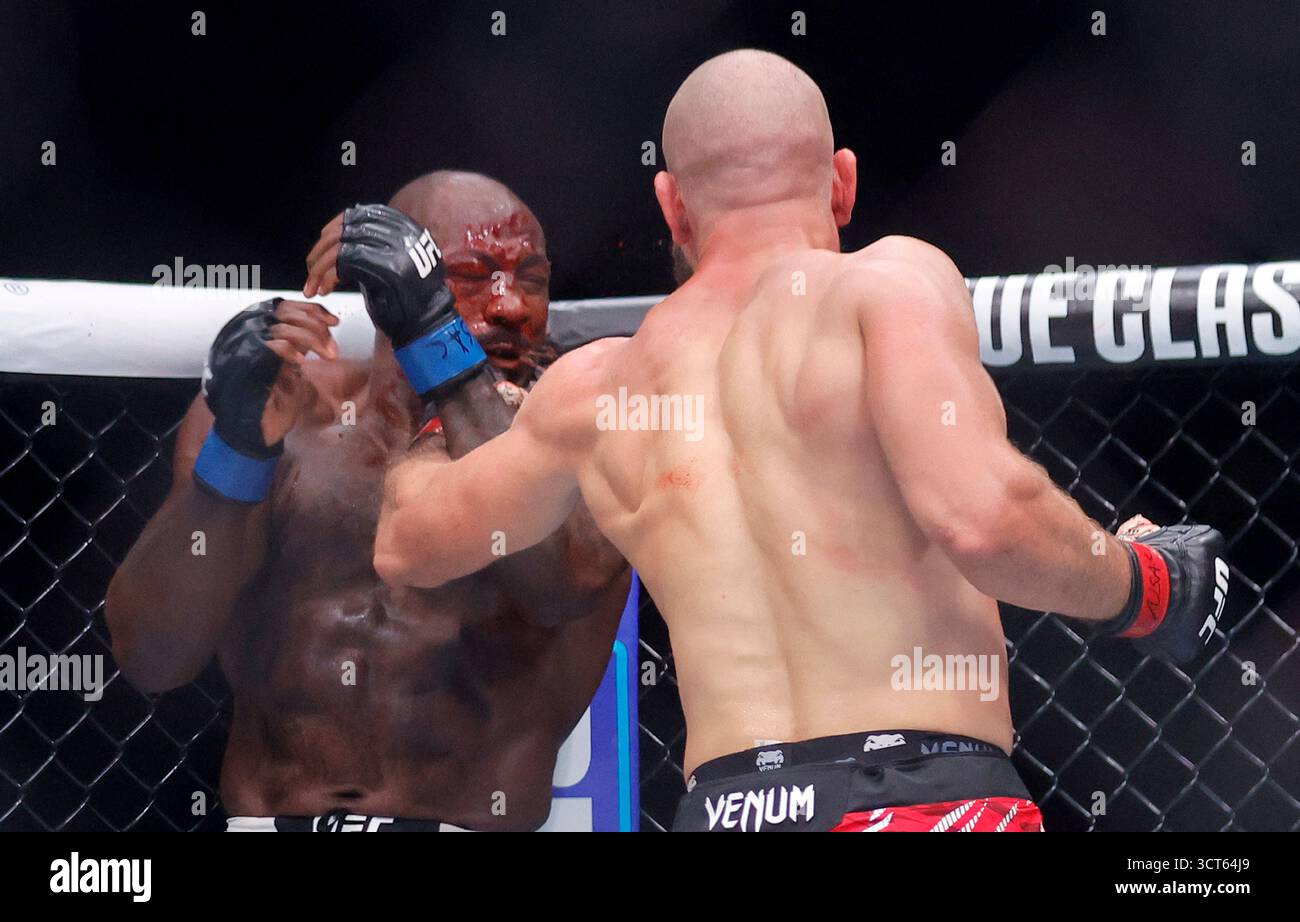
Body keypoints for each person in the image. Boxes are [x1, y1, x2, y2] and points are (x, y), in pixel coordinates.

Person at [367, 51, 1228, 832]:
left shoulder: (599, 389)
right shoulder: (885, 288)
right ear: (842, 182)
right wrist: (1145, 583)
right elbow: (983, 519)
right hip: (923, 796)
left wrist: (435, 348)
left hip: (726, 808)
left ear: (672, 206)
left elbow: (411, 543)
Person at [106, 171, 630, 832]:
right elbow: (153, 657)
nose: (511, 306)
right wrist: (235, 456)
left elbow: (562, 582)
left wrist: (437, 334)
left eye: (531, 277)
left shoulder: (574, 431)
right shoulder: (294, 415)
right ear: (382, 296)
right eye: (469, 275)